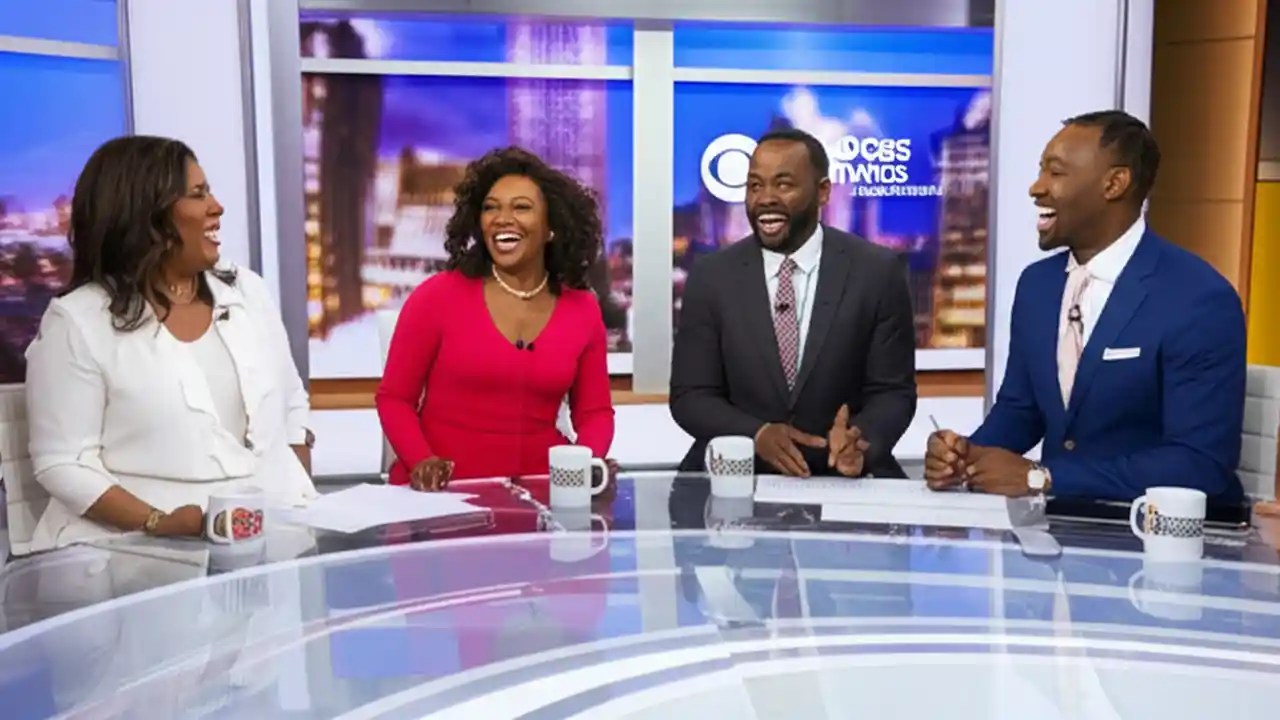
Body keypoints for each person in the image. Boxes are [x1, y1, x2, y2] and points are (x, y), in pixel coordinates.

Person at [926, 110, 1246, 503]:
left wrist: (1043, 478)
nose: (1036, 188)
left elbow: (1199, 464)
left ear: (1114, 183)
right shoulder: (1037, 285)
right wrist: (964, 456)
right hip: (1056, 537)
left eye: (1055, 173)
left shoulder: (1197, 298)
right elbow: (1020, 410)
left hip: (1160, 542)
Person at [23, 136, 316, 554]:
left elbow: (291, 406)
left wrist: (290, 490)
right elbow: (63, 462)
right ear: (147, 216)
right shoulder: (77, 321)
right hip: (130, 553)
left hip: (266, 538)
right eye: (198, 195)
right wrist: (157, 522)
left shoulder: (247, 292)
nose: (217, 206)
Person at [670, 128, 918, 479]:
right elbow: (690, 396)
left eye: (783, 185)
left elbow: (893, 393)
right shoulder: (713, 276)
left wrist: (860, 441)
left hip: (843, 481)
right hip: (735, 479)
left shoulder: (876, 272)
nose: (765, 198)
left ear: (822, 192)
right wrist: (756, 434)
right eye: (755, 186)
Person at [376, 146, 615, 490]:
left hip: (541, 492)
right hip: (441, 497)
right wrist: (421, 461)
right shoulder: (436, 297)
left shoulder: (582, 309)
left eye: (521, 207)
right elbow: (394, 398)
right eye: (491, 208)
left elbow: (594, 413)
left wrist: (584, 463)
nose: (503, 218)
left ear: (551, 227)